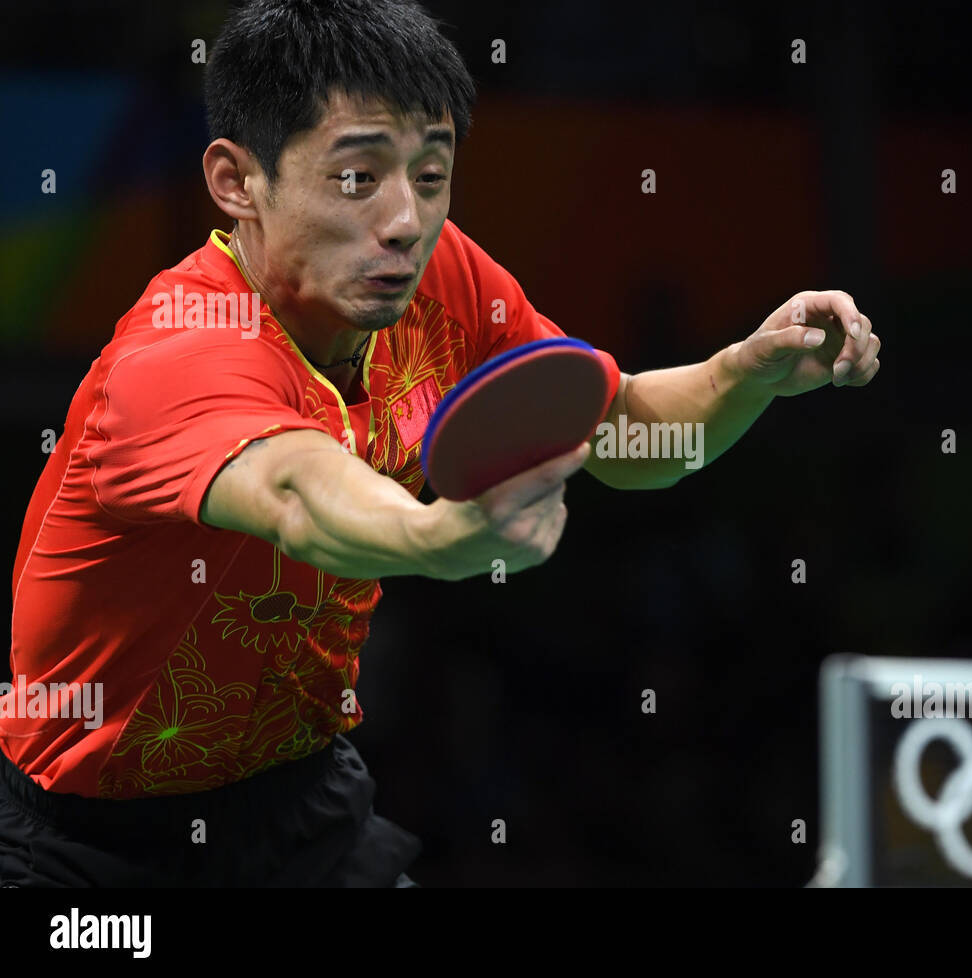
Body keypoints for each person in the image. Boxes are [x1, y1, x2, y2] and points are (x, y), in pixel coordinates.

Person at [0, 0, 881, 887]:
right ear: (237, 182)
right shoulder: (180, 350)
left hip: (298, 808)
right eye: (358, 177)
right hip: (85, 847)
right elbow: (296, 491)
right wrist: (440, 538)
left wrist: (745, 374)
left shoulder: (436, 280)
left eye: (430, 174)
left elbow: (622, 433)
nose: (405, 221)